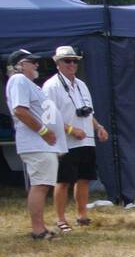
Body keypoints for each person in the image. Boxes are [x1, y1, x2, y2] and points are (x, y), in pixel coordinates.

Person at [43, 46, 108, 230]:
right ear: (57, 63)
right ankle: (61, 219)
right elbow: (48, 118)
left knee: (84, 178)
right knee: (63, 181)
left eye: (75, 61)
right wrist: (71, 130)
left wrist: (99, 127)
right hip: (66, 142)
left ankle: (81, 215)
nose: (72, 64)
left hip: (86, 139)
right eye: (67, 61)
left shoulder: (81, 84)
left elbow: (88, 112)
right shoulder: (51, 86)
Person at [6, 49, 67, 240]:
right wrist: (44, 132)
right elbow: (20, 111)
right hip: (37, 143)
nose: (36, 64)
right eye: (31, 61)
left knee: (42, 185)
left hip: (42, 144)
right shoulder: (18, 80)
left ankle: (40, 227)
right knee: (40, 185)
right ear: (19, 65)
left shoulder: (28, 84)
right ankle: (38, 230)